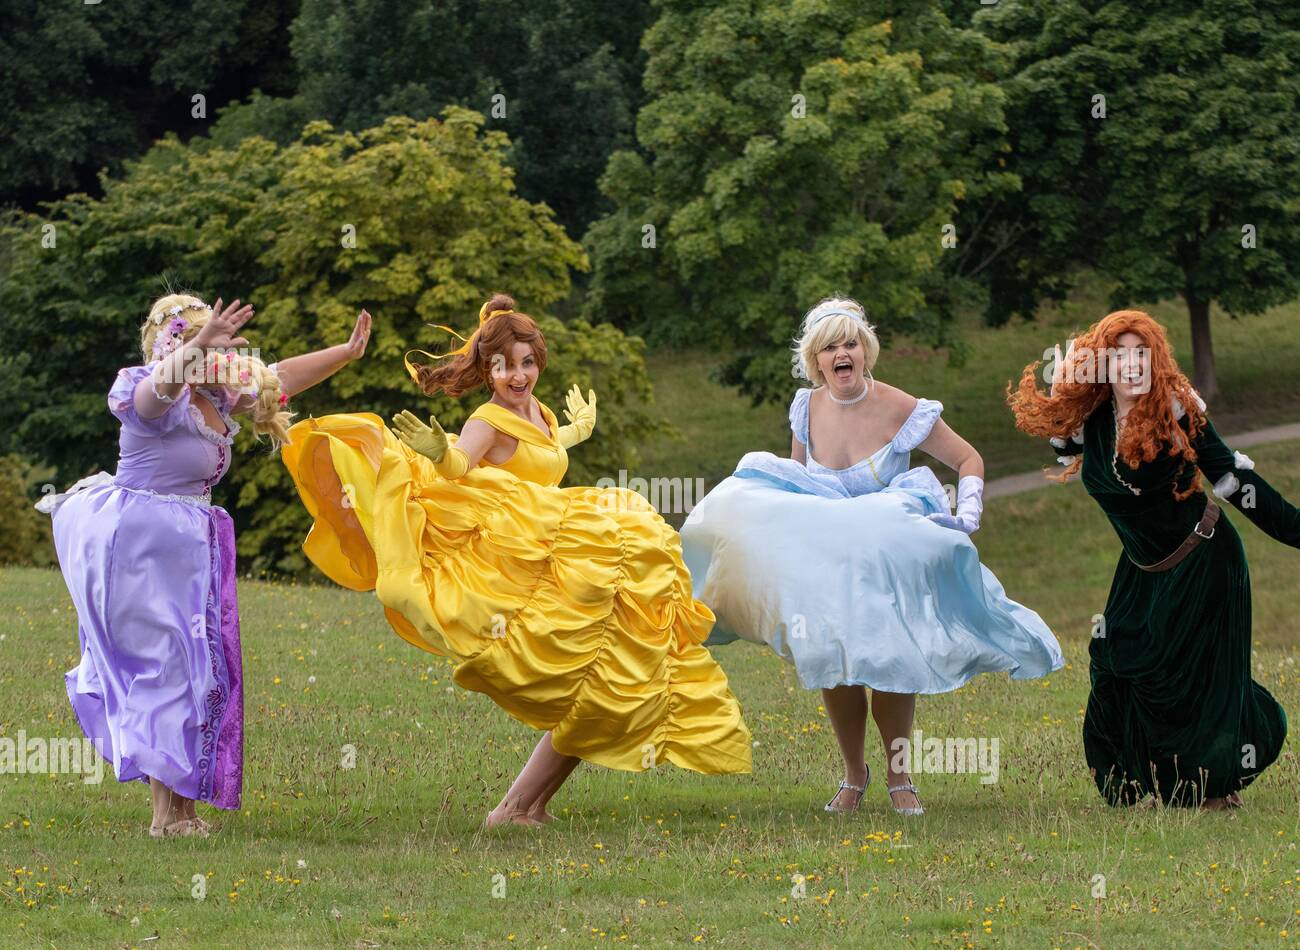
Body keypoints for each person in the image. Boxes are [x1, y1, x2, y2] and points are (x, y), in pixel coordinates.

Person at [281, 294, 751, 828]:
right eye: (505, 366)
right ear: (488, 370)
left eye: (527, 362)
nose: (518, 375)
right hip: (519, 561)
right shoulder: (488, 418)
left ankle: (524, 807)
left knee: (616, 659)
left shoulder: (540, 411)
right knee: (596, 670)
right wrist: (442, 452)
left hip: (559, 555)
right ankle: (514, 807)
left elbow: (544, 450)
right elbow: (462, 463)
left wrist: (577, 430)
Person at [680, 297, 1063, 815]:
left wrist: (967, 513)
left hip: (882, 564)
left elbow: (967, 458)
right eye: (831, 346)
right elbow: (793, 489)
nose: (843, 353)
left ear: (866, 352)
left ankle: (900, 779)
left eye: (851, 343)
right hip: (827, 565)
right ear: (816, 359)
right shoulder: (805, 408)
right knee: (833, 663)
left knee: (888, 661)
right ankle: (852, 776)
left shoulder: (902, 407)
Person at [41, 293, 371, 836]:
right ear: (175, 345)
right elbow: (159, 389)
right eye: (201, 343)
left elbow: (278, 377)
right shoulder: (148, 392)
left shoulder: (214, 395)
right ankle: (166, 816)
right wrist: (195, 343)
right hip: (138, 548)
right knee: (165, 671)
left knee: (192, 671)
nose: (215, 355)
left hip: (187, 543)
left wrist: (345, 352)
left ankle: (181, 810)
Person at [1008, 309, 1298, 807]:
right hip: (1142, 567)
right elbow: (1056, 427)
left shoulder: (1177, 412)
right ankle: (1130, 784)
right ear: (1103, 363)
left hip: (1205, 559)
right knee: (1115, 660)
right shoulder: (1091, 423)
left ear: (1155, 358)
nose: (1131, 363)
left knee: (1188, 679)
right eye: (1118, 354)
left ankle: (1208, 786)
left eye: (1141, 352)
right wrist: (1068, 374)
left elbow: (1232, 482)